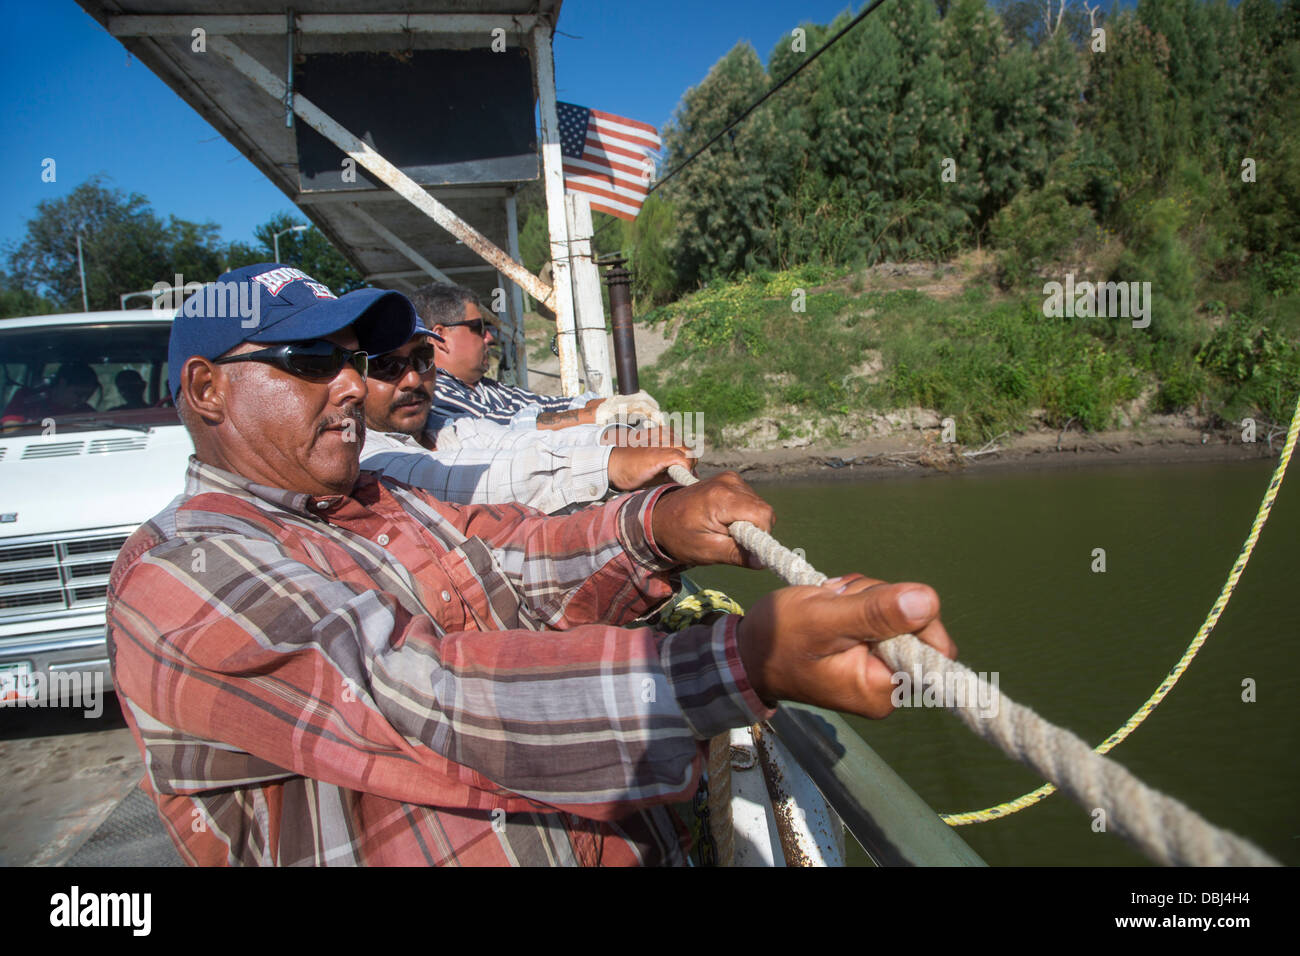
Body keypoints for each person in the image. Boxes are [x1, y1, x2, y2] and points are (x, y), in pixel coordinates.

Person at [107, 263, 956, 866]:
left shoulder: (380, 497)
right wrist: (735, 664)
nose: (347, 385)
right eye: (310, 362)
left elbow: (514, 554)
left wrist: (655, 523)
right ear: (207, 389)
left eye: (349, 360)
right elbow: (418, 695)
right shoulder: (178, 576)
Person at [360, 324, 697, 513]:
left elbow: (515, 438)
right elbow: (460, 477)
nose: (413, 380)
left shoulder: (448, 422)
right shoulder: (362, 451)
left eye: (421, 360)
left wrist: (617, 438)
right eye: (386, 366)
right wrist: (609, 464)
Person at [417, 283, 659, 435]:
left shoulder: (488, 389)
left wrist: (615, 403)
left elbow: (549, 405)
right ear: (440, 337)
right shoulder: (434, 394)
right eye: (479, 328)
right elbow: (497, 428)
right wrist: (597, 415)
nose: (489, 337)